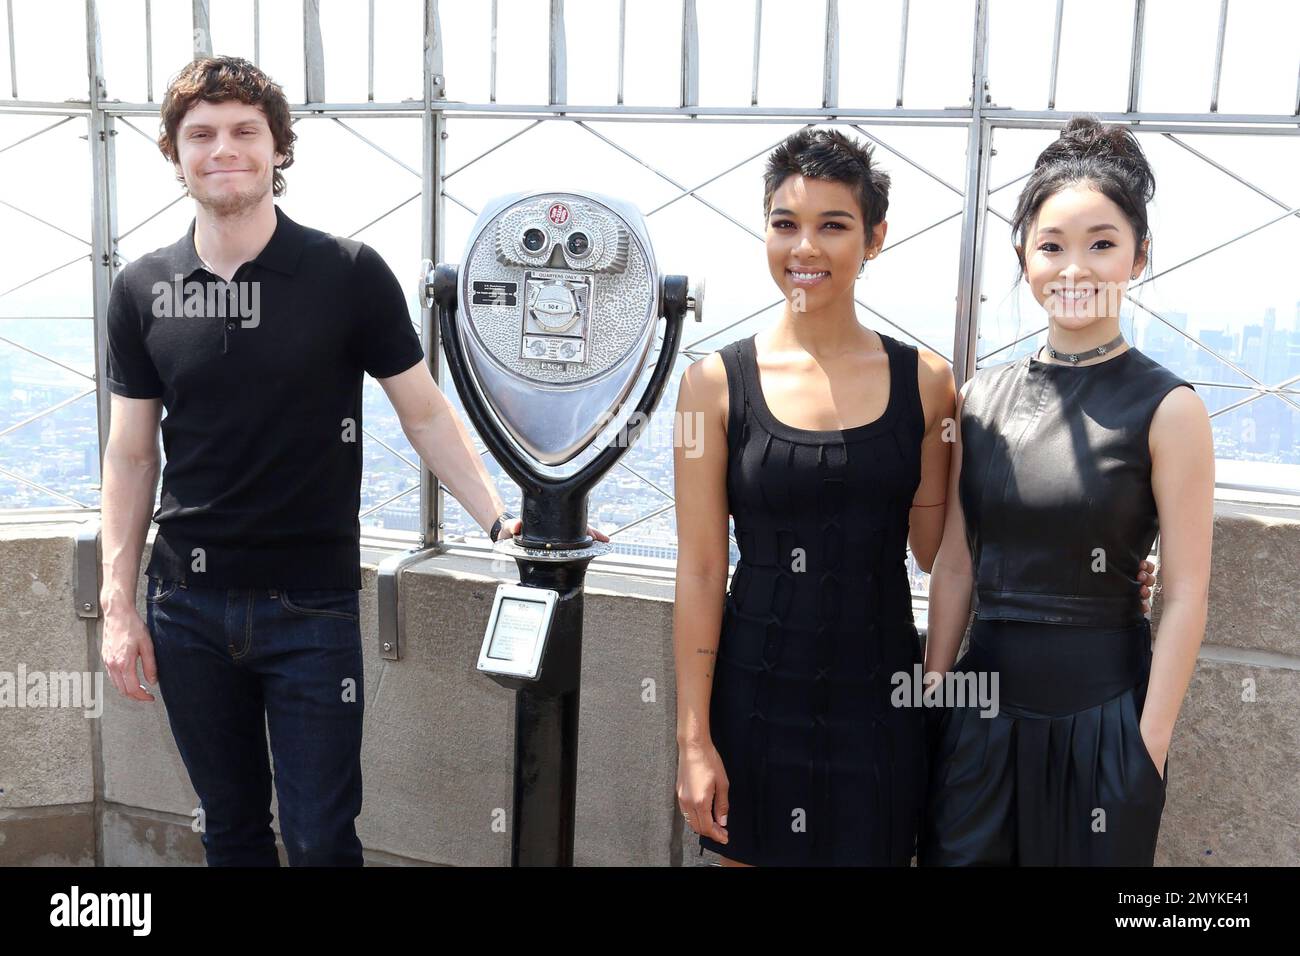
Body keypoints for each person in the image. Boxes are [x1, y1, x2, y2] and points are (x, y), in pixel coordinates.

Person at [98, 55, 604, 866]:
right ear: (173, 152)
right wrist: (118, 605)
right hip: (184, 605)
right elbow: (129, 456)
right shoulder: (143, 289)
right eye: (200, 134)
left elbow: (424, 412)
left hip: (312, 609)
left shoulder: (348, 274)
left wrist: (499, 516)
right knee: (227, 830)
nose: (222, 149)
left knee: (322, 838)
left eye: (244, 132)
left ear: (278, 150)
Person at [919, 115, 1213, 866]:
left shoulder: (1168, 407)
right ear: (1024, 255)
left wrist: (1146, 745)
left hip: (1104, 722)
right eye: (1051, 245)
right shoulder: (981, 397)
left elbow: (1182, 593)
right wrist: (933, 702)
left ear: (1140, 256)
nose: (1074, 268)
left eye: (1102, 244)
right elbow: (955, 564)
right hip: (976, 720)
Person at [671, 128, 956, 865]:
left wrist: (1111, 568)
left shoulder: (928, 383)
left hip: (883, 705)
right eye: (785, 224)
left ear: (876, 238)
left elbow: (941, 551)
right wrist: (694, 740)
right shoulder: (707, 388)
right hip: (754, 700)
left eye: (834, 225)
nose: (806, 248)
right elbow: (700, 569)